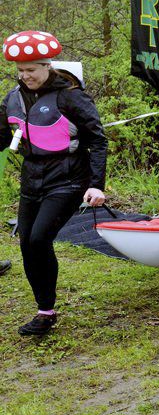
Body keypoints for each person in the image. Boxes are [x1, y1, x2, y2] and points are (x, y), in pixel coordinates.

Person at [1, 30, 107, 335]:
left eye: (32, 70)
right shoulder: (12, 99)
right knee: (26, 243)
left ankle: (46, 311)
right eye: (21, 71)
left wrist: (96, 184)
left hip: (69, 179)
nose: (26, 76)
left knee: (38, 239)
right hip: (31, 180)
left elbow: (98, 140)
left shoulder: (70, 96)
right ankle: (44, 311)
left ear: (48, 66)